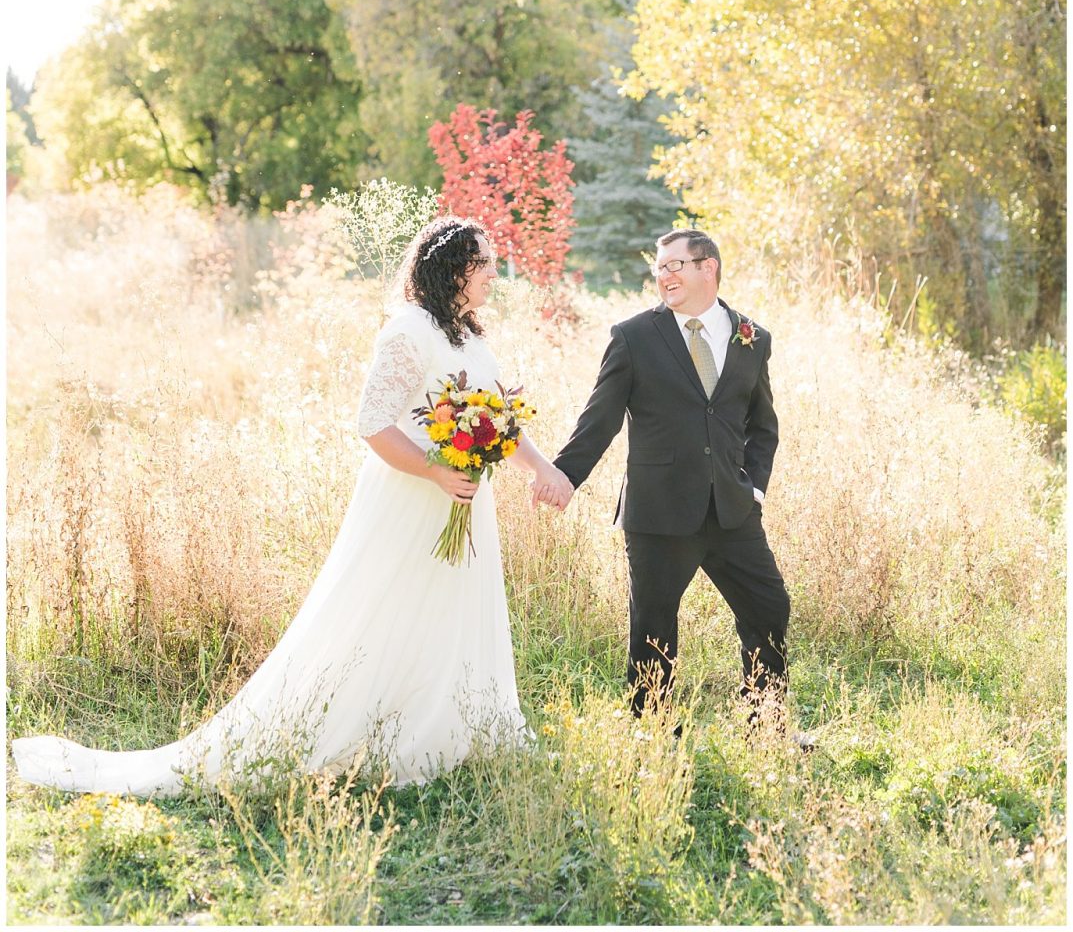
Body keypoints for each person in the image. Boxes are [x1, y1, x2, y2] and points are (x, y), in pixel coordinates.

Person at [13, 216, 564, 795]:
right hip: (412, 498)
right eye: (485, 263)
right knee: (385, 615)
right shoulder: (409, 331)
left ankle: (454, 730)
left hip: (463, 500)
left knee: (452, 614)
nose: (494, 275)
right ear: (453, 268)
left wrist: (541, 467)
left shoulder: (469, 335)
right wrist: (434, 470)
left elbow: (496, 418)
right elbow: (373, 423)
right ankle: (371, 735)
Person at [539, 228, 793, 733]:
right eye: (659, 267)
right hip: (658, 512)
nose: (664, 275)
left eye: (675, 265)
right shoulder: (633, 336)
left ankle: (765, 724)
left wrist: (754, 488)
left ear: (708, 268)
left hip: (732, 510)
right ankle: (652, 734)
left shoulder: (751, 337)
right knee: (653, 628)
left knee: (770, 608)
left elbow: (762, 426)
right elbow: (601, 419)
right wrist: (565, 474)